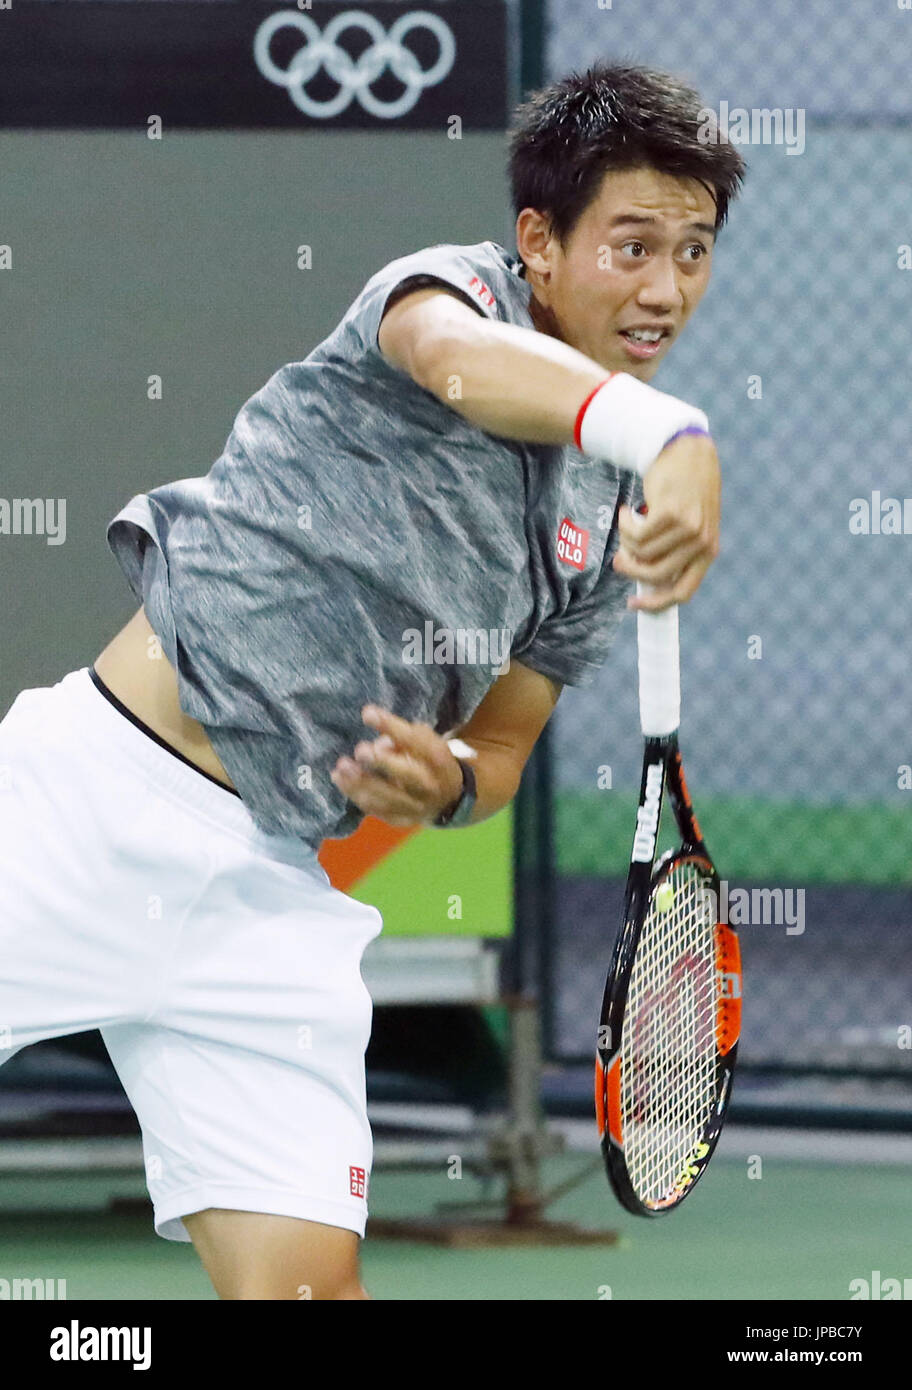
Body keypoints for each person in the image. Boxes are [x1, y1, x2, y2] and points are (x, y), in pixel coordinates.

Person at [0, 63, 744, 1299]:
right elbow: (457, 360)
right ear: (538, 243)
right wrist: (662, 427)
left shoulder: (614, 517)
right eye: (630, 246)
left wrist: (447, 781)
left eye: (695, 250)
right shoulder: (439, 297)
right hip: (85, 809)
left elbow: (501, 749)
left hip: (268, 894)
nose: (665, 287)